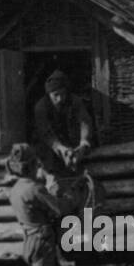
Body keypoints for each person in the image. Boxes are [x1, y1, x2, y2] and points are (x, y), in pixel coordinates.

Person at [33, 70, 95, 210]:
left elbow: (85, 121)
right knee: (52, 177)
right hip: (49, 147)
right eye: (56, 95)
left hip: (71, 143)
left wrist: (83, 142)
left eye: (63, 94)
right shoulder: (41, 107)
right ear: (49, 95)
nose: (60, 99)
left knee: (79, 174)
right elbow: (46, 133)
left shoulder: (75, 101)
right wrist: (59, 148)